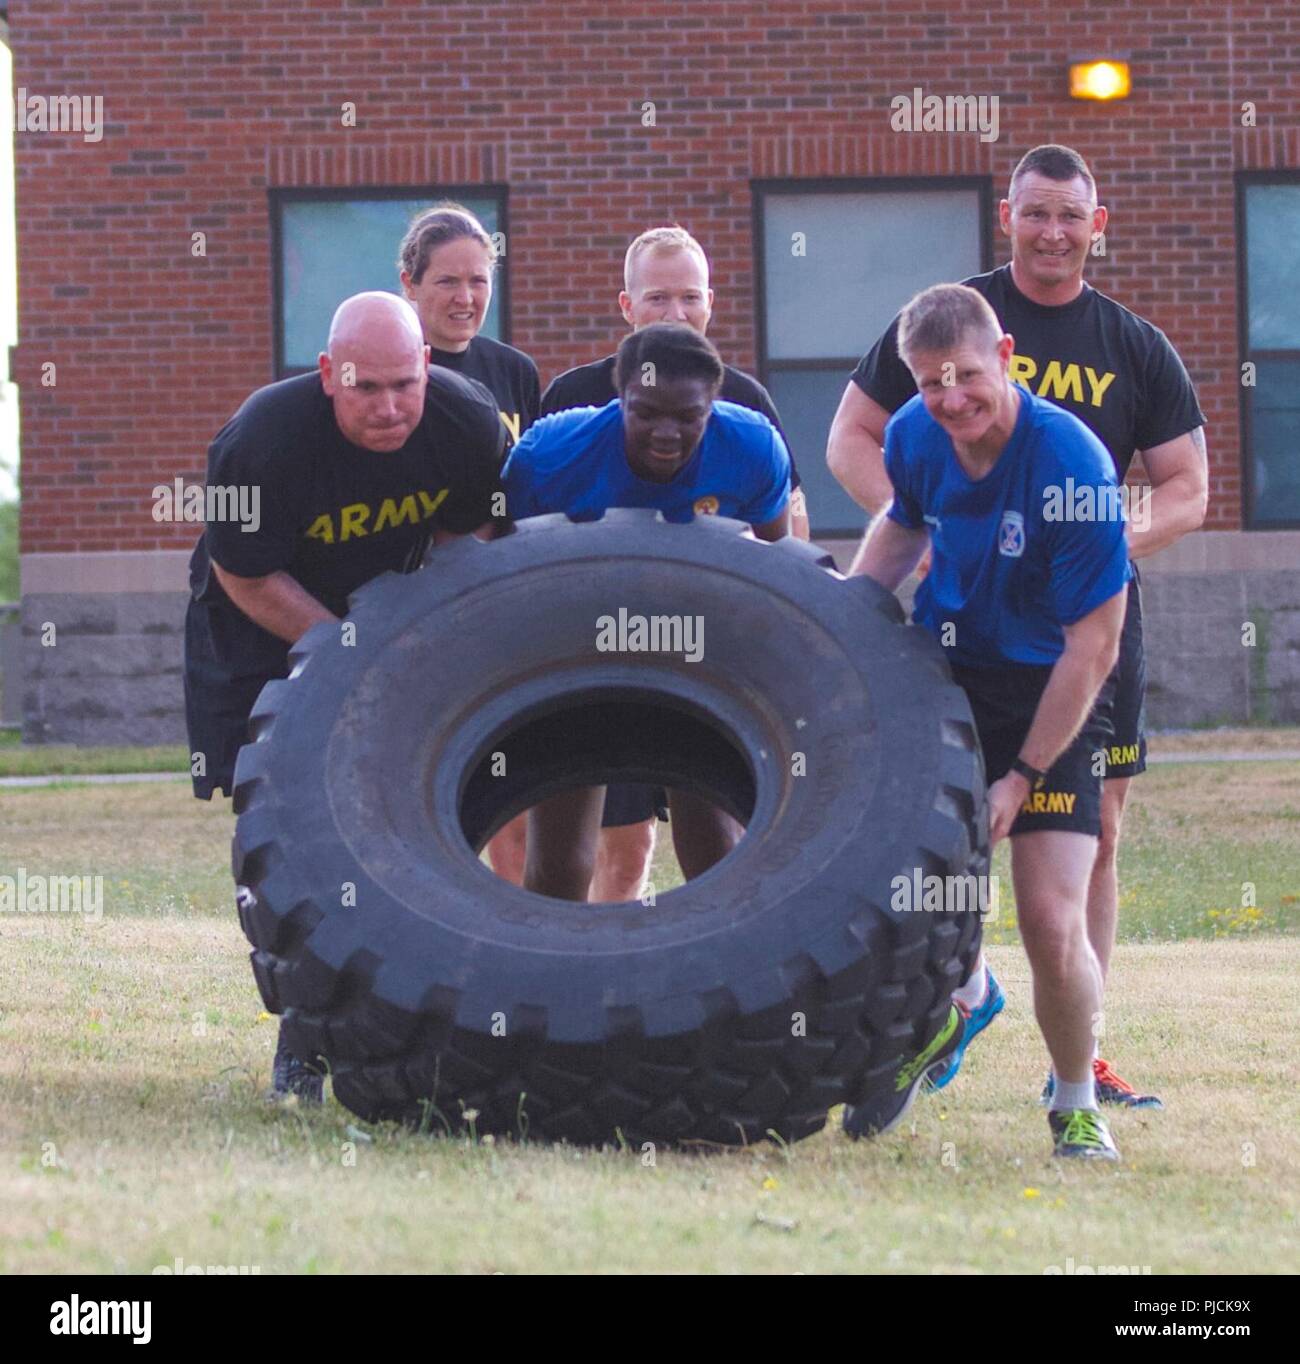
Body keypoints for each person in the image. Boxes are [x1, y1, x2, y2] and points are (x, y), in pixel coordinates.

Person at [827, 144, 1206, 1108]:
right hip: (965, 630)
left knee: (1089, 842)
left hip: (1081, 624)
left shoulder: (1131, 345)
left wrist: (1094, 547)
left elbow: (1189, 490)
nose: (1051, 232)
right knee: (938, 838)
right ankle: (958, 994)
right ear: (1009, 216)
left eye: (1068, 217)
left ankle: (1079, 1054)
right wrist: (949, 538)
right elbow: (854, 444)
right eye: (1034, 214)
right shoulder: (945, 320)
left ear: (1096, 224)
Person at [183, 291, 504, 1099]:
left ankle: (410, 1027)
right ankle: (306, 1033)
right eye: (366, 388)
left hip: (384, 614)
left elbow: (466, 538)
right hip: (261, 622)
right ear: (329, 375)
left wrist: (407, 636)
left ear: (428, 365)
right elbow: (243, 573)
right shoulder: (256, 439)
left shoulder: (467, 422)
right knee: (290, 835)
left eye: (405, 383)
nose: (390, 408)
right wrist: (346, 653)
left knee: (400, 817)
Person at [844, 284, 1129, 1159]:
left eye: (966, 375)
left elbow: (1096, 646)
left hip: (1055, 691)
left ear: (1005, 353)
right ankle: (967, 994)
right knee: (915, 884)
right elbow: (900, 532)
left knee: (1050, 919)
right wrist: (843, 626)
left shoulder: (1073, 466)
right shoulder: (915, 436)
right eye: (931, 382)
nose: (950, 398)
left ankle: (1075, 1103)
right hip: (952, 675)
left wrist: (1024, 775)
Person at [542, 225, 809, 901]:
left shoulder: (747, 415)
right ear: (627, 307)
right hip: (591, 645)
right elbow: (515, 542)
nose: (675, 313)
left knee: (713, 827)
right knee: (603, 848)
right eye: (658, 297)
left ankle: (732, 980)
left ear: (711, 304)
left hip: (707, 645)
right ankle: (575, 980)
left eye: (690, 297)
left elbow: (783, 540)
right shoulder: (569, 417)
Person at [399, 202, 541, 885]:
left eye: (478, 280)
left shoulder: (514, 371)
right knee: (426, 777)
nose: (466, 297)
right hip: (418, 598)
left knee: (514, 781)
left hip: (504, 602)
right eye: (447, 282)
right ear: (410, 283)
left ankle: (516, 929)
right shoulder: (392, 373)